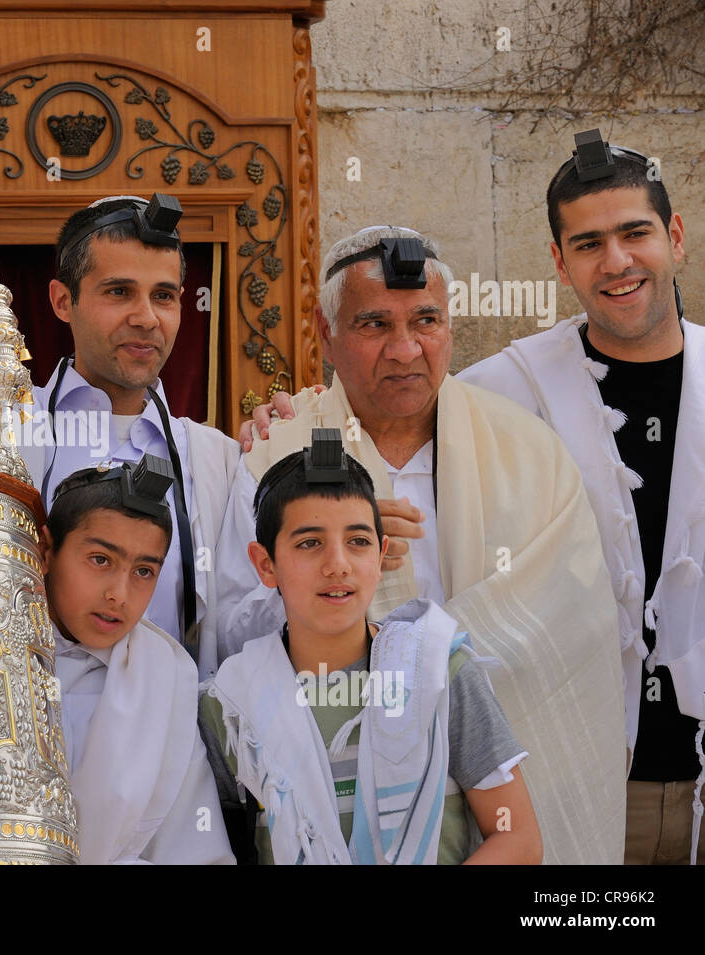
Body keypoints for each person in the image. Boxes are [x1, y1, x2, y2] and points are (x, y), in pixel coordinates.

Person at [242, 225, 626, 864]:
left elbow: (571, 631)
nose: (405, 349)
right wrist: (329, 575)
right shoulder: (273, 455)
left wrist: (418, 660)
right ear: (325, 332)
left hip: (503, 792)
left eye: (427, 319)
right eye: (373, 325)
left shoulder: (527, 451)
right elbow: (236, 634)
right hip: (329, 785)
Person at [0, 193, 281, 681]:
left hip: (163, 750)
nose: (146, 317)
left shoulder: (215, 459)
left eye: (164, 296)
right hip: (6, 746)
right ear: (62, 301)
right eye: (119, 292)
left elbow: (242, 634)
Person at [459, 131, 705, 865]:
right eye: (589, 243)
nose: (618, 262)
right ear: (560, 261)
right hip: (583, 790)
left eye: (635, 233)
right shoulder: (504, 392)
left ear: (676, 237)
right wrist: (281, 422)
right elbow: (385, 422)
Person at [200, 439, 542, 864]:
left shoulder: (439, 673)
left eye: (358, 541)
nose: (338, 564)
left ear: (380, 557)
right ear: (265, 564)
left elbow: (516, 837)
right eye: (310, 543)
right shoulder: (231, 707)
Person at [40, 455, 234, 865]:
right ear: (45, 551)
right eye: (100, 560)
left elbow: (193, 847)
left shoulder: (165, 676)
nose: (120, 595)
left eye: (144, 571)